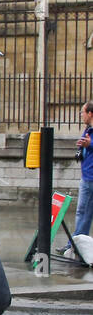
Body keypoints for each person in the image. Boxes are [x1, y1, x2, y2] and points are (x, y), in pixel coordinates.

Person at [66, 101, 93, 247]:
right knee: (83, 212)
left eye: (82, 112)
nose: (81, 115)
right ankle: (76, 243)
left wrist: (90, 145)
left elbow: (90, 145)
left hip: (91, 177)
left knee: (83, 213)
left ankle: (74, 245)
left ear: (90, 113)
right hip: (86, 176)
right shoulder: (88, 130)